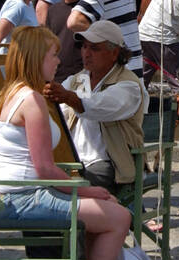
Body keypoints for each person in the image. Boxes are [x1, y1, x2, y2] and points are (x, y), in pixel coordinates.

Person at [0, 25, 131, 260]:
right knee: (119, 217)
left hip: (9, 193)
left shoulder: (11, 93)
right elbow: (43, 169)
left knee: (105, 210)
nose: (58, 61)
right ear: (37, 57)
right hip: (23, 198)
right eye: (53, 55)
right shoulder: (32, 100)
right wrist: (87, 189)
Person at [44, 20, 147, 193]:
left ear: (114, 53)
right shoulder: (77, 80)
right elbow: (56, 112)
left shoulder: (129, 85)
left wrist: (68, 97)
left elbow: (99, 106)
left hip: (110, 164)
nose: (86, 53)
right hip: (74, 160)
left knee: (73, 189)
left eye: (94, 48)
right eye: (84, 47)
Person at [44, 0, 85, 82]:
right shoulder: (52, 11)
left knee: (83, 102)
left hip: (83, 77)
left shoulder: (89, 7)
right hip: (57, 77)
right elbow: (47, 45)